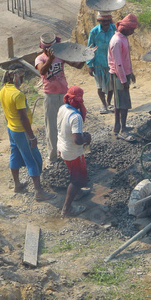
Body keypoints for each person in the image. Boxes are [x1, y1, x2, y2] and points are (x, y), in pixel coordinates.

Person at [0, 67, 53, 202]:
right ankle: (38, 192)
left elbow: (7, 111)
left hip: (11, 129)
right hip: (21, 131)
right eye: (21, 77)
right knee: (33, 159)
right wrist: (32, 136)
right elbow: (23, 117)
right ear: (16, 78)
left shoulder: (3, 89)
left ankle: (17, 185)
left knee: (15, 154)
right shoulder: (18, 95)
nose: (23, 80)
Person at [35, 33, 82, 163]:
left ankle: (65, 152)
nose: (49, 51)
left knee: (65, 125)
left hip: (64, 95)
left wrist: (86, 55)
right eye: (47, 49)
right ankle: (53, 156)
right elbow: (42, 71)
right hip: (50, 96)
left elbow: (77, 65)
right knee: (51, 127)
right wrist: (50, 59)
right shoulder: (40, 59)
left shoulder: (60, 57)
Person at [57, 85, 92, 217]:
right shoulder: (75, 117)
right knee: (76, 180)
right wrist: (86, 138)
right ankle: (67, 209)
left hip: (62, 147)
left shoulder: (62, 108)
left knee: (74, 174)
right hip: (72, 152)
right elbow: (77, 139)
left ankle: (78, 193)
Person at [108, 13, 138, 140]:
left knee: (118, 103)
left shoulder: (123, 38)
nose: (132, 32)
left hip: (122, 75)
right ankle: (122, 130)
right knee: (123, 103)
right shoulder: (117, 41)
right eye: (132, 29)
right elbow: (118, 63)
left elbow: (125, 60)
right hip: (118, 76)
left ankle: (117, 126)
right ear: (125, 27)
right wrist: (124, 79)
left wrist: (130, 72)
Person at [86, 12, 116, 114]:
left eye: (108, 21)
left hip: (111, 63)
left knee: (111, 85)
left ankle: (109, 103)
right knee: (100, 86)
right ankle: (103, 105)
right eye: (103, 21)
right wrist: (90, 65)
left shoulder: (115, 30)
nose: (106, 23)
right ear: (99, 21)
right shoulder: (94, 32)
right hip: (98, 63)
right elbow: (89, 48)